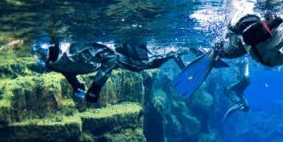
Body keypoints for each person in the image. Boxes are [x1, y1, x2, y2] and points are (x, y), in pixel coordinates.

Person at [34, 41, 183, 103]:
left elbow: (111, 56)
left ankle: (178, 50)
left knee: (144, 63)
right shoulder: (51, 64)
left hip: (119, 51)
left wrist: (96, 87)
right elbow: (66, 71)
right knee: (145, 62)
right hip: (106, 57)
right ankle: (175, 51)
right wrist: (76, 85)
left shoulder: (73, 50)